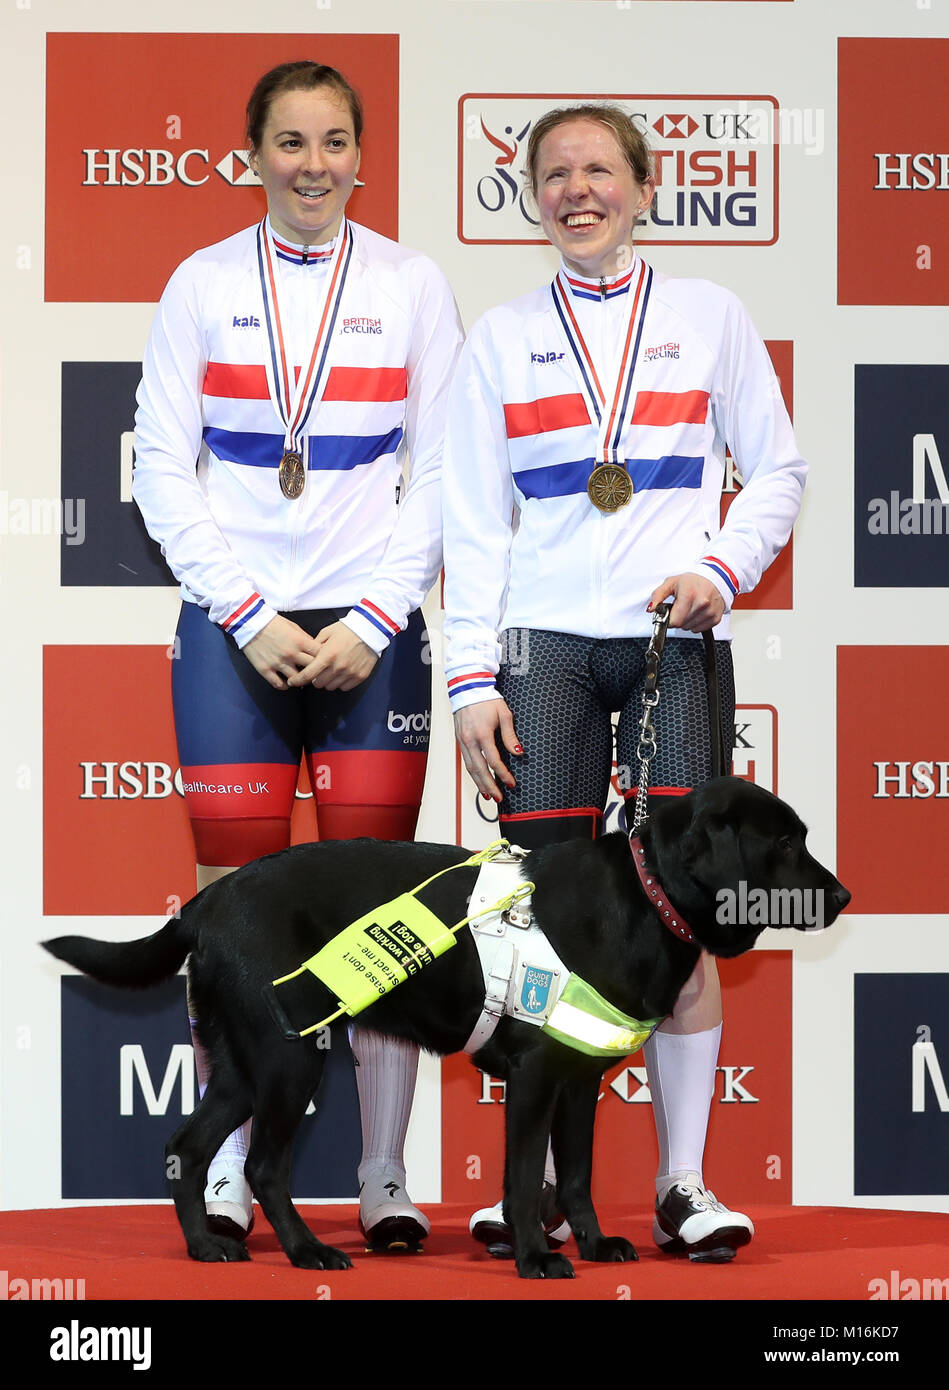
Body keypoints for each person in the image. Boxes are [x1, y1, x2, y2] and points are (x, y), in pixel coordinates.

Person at [442, 104, 806, 1261]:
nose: (576, 189)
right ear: (533, 197)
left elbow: (779, 469)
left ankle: (684, 1183)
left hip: (670, 637)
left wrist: (719, 563)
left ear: (645, 189)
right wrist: (465, 680)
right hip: (542, 647)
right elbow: (468, 522)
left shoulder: (710, 315)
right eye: (554, 173)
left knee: (683, 914)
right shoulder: (498, 335)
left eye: (599, 169)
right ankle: (534, 1183)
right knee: (536, 920)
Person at [133, 60, 463, 1251]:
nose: (311, 164)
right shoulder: (200, 283)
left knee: (386, 916)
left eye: (333, 142)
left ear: (361, 156)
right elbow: (160, 470)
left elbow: (442, 471)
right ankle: (224, 1171)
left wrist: (375, 617)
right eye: (288, 141)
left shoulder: (415, 282)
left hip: (371, 637)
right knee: (233, 919)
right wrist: (248, 612)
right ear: (251, 153)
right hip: (239, 636)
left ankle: (382, 1173)